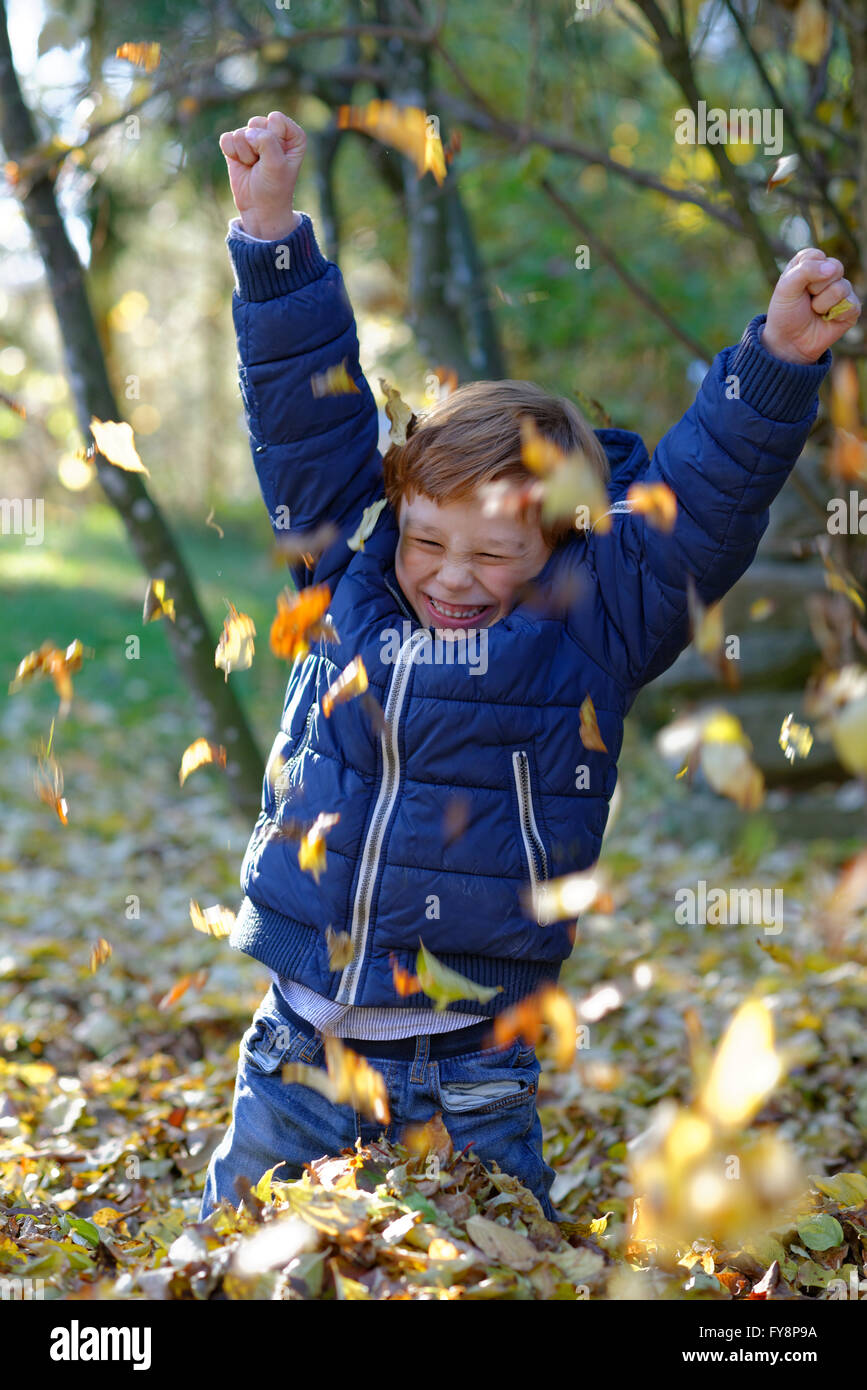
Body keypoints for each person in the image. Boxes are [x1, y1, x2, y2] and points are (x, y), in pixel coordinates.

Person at [200, 110, 860, 1224]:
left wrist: (777, 361)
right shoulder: (345, 580)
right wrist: (271, 235)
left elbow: (698, 512)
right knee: (229, 1252)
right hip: (301, 1045)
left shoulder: (590, 627)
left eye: (494, 552)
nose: (450, 576)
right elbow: (302, 421)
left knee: (499, 1257)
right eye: (426, 540)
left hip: (471, 1072)